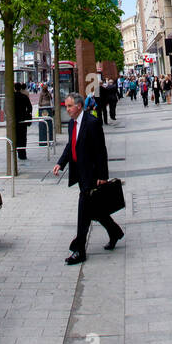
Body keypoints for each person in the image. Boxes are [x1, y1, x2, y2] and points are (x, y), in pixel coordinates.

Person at [52, 92, 123, 263]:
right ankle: (115, 232)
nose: (67, 109)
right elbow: (71, 146)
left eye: (69, 106)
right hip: (80, 173)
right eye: (66, 106)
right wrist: (61, 163)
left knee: (83, 213)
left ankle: (79, 250)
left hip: (92, 174)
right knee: (96, 210)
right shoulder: (72, 124)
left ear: (78, 106)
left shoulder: (92, 122)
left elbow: (101, 150)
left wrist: (102, 176)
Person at [14, 83, 32, 161]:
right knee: (23, 137)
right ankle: (23, 153)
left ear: (15, 88)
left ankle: (17, 151)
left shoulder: (12, 97)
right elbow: (30, 108)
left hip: (14, 120)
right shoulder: (24, 97)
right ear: (21, 88)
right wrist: (26, 114)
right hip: (23, 119)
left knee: (16, 136)